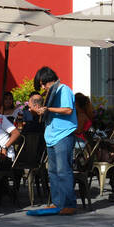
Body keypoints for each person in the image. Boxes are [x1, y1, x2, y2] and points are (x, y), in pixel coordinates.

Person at [32, 66, 78, 215]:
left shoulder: (64, 90)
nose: (43, 88)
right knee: (52, 171)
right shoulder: (50, 94)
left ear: (49, 80)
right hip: (51, 136)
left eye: (44, 84)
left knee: (63, 170)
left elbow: (68, 110)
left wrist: (48, 109)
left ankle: (70, 204)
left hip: (63, 135)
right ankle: (57, 203)